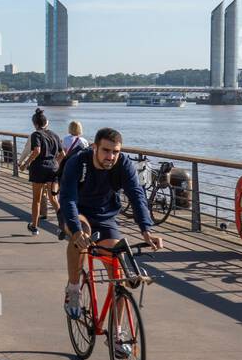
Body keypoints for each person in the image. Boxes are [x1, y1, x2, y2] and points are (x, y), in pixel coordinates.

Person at [58, 128, 164, 336]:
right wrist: (76, 230)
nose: (111, 156)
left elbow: (136, 195)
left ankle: (117, 333)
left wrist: (146, 230)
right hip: (76, 212)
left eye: (115, 151)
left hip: (105, 215)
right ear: (95, 147)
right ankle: (73, 289)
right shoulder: (77, 162)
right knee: (82, 234)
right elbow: (68, 198)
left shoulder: (123, 164)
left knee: (119, 266)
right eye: (106, 151)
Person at [17, 108, 62, 235]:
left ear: (35, 124)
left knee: (36, 199)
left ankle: (34, 227)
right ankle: (62, 225)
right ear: (46, 122)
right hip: (53, 168)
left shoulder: (36, 134)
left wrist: (26, 164)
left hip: (39, 168)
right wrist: (55, 163)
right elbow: (63, 153)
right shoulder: (54, 135)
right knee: (54, 199)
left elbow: (36, 150)